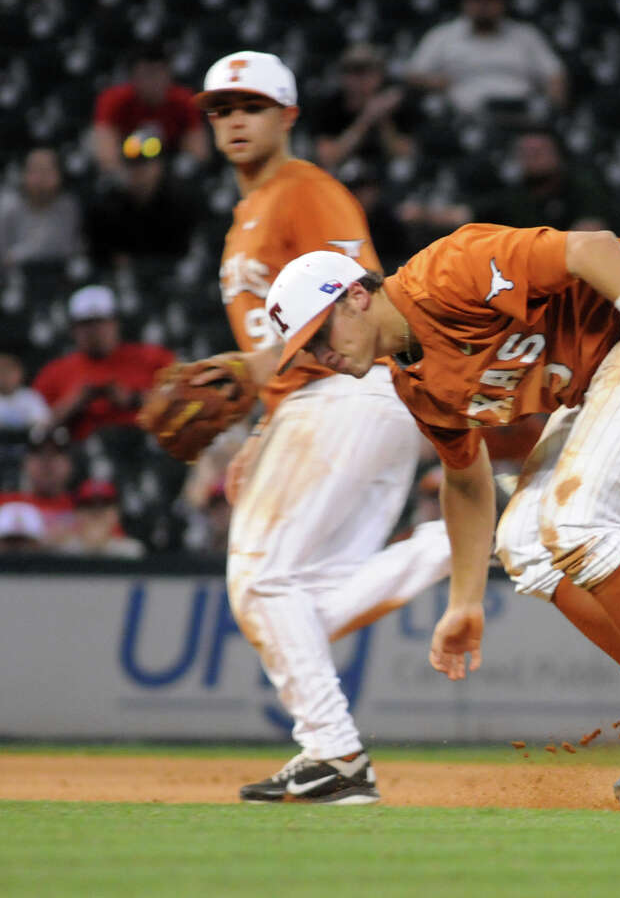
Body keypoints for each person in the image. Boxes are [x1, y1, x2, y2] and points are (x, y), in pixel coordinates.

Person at [249, 222, 620, 812]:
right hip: (604, 376)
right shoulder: (416, 384)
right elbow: (467, 483)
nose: (323, 356)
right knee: (524, 543)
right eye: (308, 351)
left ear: (357, 295)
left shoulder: (447, 272)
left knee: (575, 524)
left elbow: (593, 248)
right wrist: (465, 601)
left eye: (321, 334)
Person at [195, 50, 451, 805]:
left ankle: (334, 753)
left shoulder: (308, 191)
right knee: (294, 593)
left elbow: (358, 297)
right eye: (222, 109)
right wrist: (262, 428)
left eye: (252, 106)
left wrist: (268, 387)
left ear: (289, 117)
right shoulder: (248, 213)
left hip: (351, 391)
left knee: (260, 577)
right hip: (322, 405)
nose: (236, 120)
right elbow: (280, 347)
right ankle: (453, 540)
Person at [32, 285, 175, 441]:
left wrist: (133, 398)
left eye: (100, 322)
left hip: (146, 444)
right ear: (73, 329)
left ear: (115, 323)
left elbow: (185, 405)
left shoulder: (153, 358)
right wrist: (76, 402)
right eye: (86, 324)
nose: (94, 331)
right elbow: (36, 431)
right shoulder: (55, 372)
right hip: (81, 451)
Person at [406, 0, 567, 118]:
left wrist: (553, 107)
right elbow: (413, 74)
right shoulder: (442, 35)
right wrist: (432, 82)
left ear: (503, 2)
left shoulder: (526, 35)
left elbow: (555, 74)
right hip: (464, 116)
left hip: (521, 116)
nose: (483, 5)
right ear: (465, 2)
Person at [86, 128, 197, 269]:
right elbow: (101, 255)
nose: (139, 171)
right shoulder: (109, 206)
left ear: (160, 166)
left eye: (146, 164)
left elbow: (187, 251)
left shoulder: (180, 202)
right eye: (133, 165)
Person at [92, 44, 208, 177]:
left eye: (158, 74)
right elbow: (106, 155)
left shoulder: (183, 100)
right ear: (133, 78)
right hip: (127, 169)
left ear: (169, 75)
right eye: (147, 75)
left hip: (168, 172)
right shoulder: (114, 100)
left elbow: (199, 152)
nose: (154, 82)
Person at [472, 128, 611, 232]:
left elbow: (592, 226)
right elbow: (482, 209)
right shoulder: (515, 193)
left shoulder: (582, 186)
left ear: (557, 154)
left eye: (538, 152)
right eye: (525, 153)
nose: (532, 159)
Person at [312, 44, 418, 177]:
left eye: (365, 72)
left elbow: (404, 154)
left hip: (385, 177)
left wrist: (383, 119)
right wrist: (365, 119)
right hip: (344, 176)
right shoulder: (330, 106)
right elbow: (328, 158)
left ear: (379, 75)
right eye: (350, 72)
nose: (358, 80)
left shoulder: (398, 104)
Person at [0, 426, 77, 545]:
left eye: (56, 454)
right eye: (38, 454)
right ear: (25, 462)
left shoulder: (86, 506)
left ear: (70, 464)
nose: (47, 462)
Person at [0, 147, 83, 270]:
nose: (41, 179)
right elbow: (3, 258)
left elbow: (68, 250)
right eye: (35, 170)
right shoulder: (7, 208)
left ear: (59, 175)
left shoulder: (69, 206)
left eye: (47, 171)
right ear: (23, 175)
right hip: (19, 279)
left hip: (60, 276)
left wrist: (23, 252)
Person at [58, 479, 145, 559]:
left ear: (116, 513)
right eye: (89, 505)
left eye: (105, 504)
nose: (97, 511)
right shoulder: (61, 549)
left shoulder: (131, 551)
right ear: (77, 513)